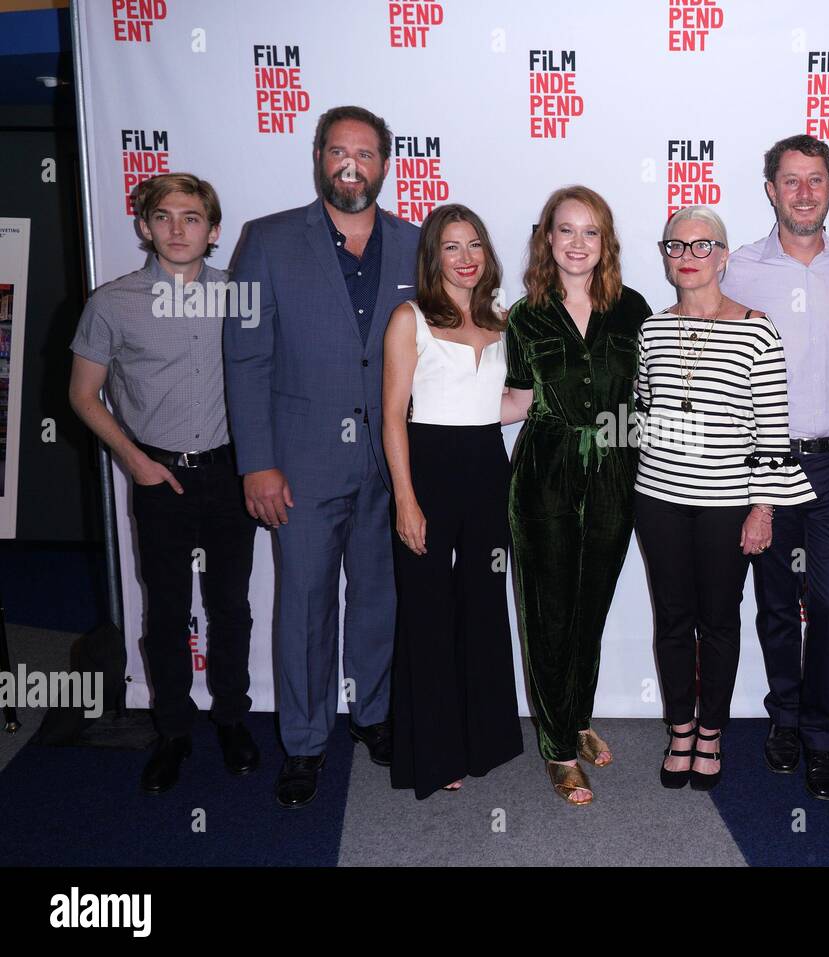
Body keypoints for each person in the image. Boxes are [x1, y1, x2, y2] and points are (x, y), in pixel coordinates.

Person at [224, 106, 420, 809]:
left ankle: (371, 714)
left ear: (384, 163)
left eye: (364, 153)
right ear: (318, 157)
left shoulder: (416, 244)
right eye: (338, 151)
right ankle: (304, 742)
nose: (350, 164)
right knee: (304, 604)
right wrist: (257, 462)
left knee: (380, 597)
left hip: (389, 463)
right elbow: (244, 358)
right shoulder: (267, 241)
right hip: (299, 465)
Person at [69, 173, 258, 792]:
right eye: (165, 217)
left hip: (232, 473)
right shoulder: (111, 302)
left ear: (214, 230)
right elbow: (81, 394)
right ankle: (174, 730)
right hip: (157, 473)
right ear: (144, 226)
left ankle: (232, 717)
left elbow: (270, 380)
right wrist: (135, 461)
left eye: (193, 218)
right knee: (168, 608)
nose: (178, 229)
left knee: (231, 606)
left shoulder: (240, 297)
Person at [637, 205, 815, 791]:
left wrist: (762, 508)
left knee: (717, 621)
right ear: (665, 256)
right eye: (676, 247)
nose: (688, 258)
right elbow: (643, 413)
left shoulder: (759, 329)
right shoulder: (652, 330)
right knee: (671, 619)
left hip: (725, 505)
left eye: (701, 245)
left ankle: (711, 731)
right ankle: (679, 728)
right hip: (658, 498)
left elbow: (771, 427)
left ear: (724, 254)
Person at [721, 135, 829, 800]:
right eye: (791, 181)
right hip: (768, 464)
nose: (804, 192)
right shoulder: (739, 268)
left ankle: (821, 732)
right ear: (771, 189)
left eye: (815, 180)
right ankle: (784, 720)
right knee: (777, 606)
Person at [501, 185, 652, 805]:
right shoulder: (524, 315)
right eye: (566, 230)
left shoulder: (633, 308)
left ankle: (579, 717)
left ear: (605, 242)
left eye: (590, 232)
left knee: (591, 607)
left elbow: (650, 395)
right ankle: (559, 748)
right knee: (548, 613)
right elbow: (514, 399)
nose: (578, 243)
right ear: (547, 239)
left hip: (617, 469)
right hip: (546, 470)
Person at [382, 204, 524, 798]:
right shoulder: (408, 318)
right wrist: (405, 500)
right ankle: (433, 752)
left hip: (489, 473)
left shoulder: (501, 322)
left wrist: (566, 396)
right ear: (433, 257)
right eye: (452, 247)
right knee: (426, 612)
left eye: (475, 246)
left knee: (484, 606)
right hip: (428, 474)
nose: (466, 258)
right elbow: (392, 416)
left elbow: (503, 406)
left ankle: (482, 741)